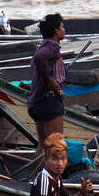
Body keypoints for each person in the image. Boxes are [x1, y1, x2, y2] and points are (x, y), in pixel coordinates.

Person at [28, 13, 67, 149]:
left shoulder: (44, 45)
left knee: (43, 144)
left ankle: (39, 170)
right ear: (56, 31)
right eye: (61, 27)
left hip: (37, 102)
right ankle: (53, 171)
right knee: (56, 145)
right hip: (48, 101)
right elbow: (40, 58)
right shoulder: (51, 46)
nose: (63, 29)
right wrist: (51, 81)